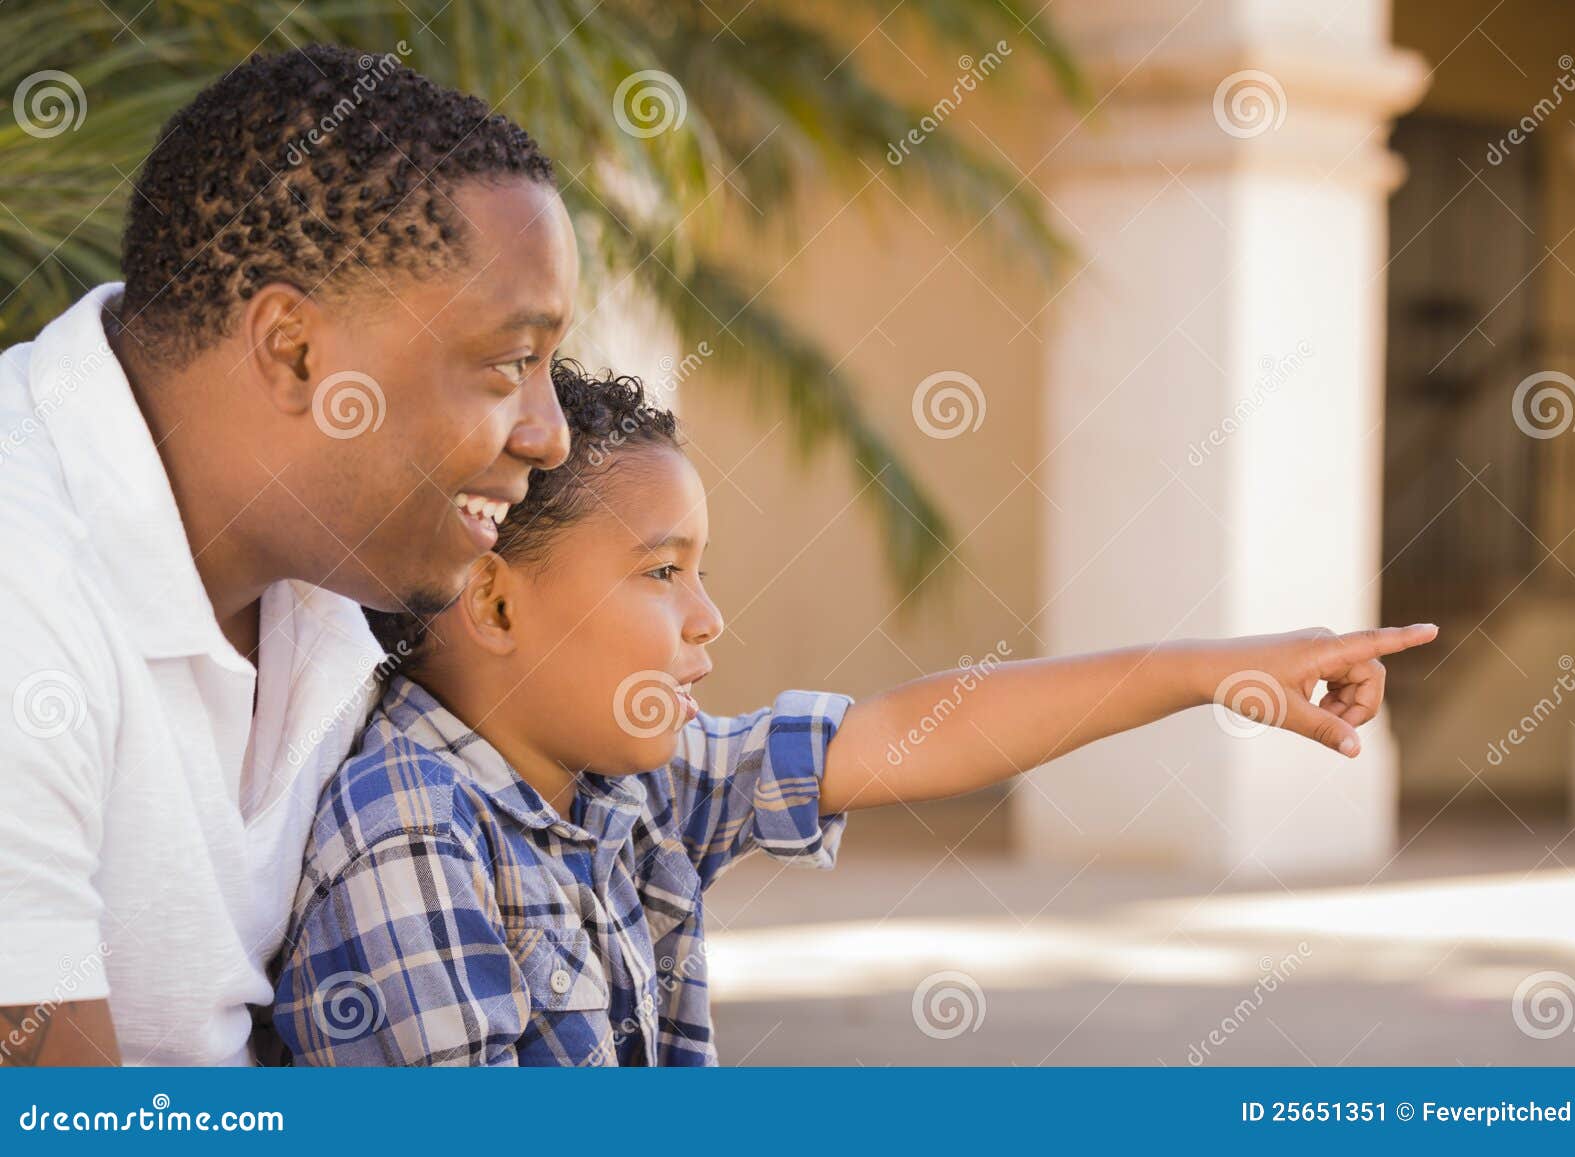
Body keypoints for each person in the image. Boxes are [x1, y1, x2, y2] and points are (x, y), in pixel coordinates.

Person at [270, 361, 1438, 1066]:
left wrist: (1201, 669)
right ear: (494, 598)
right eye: (663, 571)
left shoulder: (618, 786)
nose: (709, 619)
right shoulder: (412, 835)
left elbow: (905, 735)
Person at [0, 44, 577, 1066]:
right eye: (507, 364)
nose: (550, 433)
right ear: (296, 352)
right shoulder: (23, 584)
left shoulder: (330, 563)